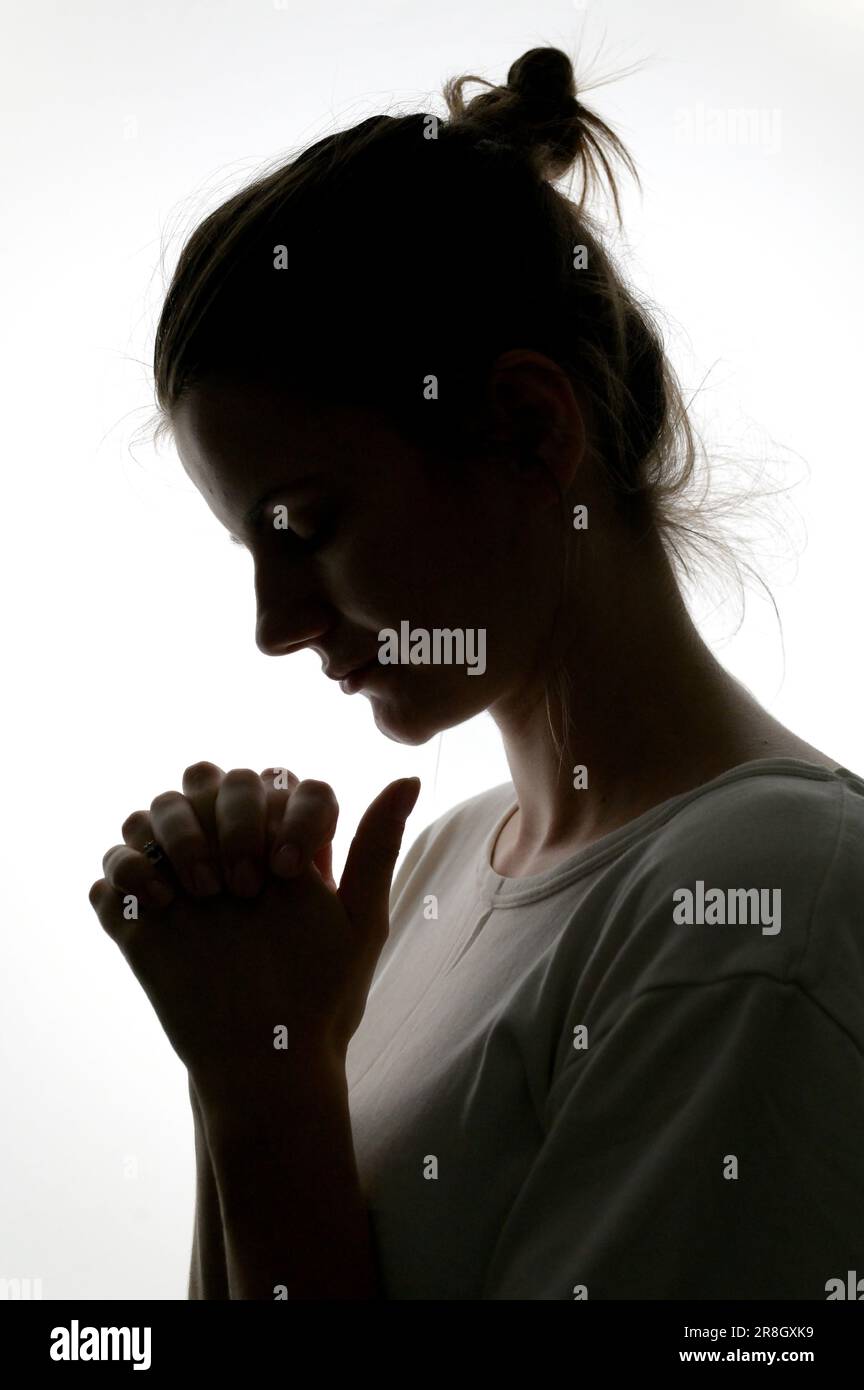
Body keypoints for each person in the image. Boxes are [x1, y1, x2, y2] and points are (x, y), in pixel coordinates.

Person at [89, 46, 864, 1300]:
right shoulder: (436, 875)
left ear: (527, 428)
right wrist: (240, 1064)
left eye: (307, 525)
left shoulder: (759, 901)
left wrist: (270, 1090)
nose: (274, 627)